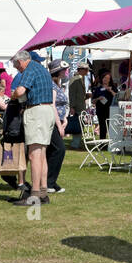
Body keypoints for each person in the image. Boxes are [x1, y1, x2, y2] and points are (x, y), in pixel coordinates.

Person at [9, 50, 54, 206]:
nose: (17, 69)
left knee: (34, 155)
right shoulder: (41, 68)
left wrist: (13, 96)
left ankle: (34, 195)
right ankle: (42, 193)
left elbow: (20, 91)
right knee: (41, 154)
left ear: (21, 61)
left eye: (16, 66)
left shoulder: (29, 69)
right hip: (47, 111)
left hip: (37, 112)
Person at [48, 59, 70, 193]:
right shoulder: (52, 86)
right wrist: (59, 125)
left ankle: (51, 181)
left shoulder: (58, 85)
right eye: (64, 69)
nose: (66, 72)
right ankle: (49, 182)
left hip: (60, 121)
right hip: (52, 122)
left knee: (54, 150)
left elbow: (61, 106)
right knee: (59, 149)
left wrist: (65, 119)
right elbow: (52, 105)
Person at [92, 70, 115, 139]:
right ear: (102, 79)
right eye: (105, 78)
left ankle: (111, 142)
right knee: (102, 127)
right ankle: (102, 142)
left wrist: (110, 91)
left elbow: (117, 96)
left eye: (108, 78)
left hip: (110, 110)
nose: (106, 80)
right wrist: (98, 98)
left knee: (111, 126)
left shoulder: (113, 87)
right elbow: (93, 101)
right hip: (100, 110)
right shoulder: (98, 89)